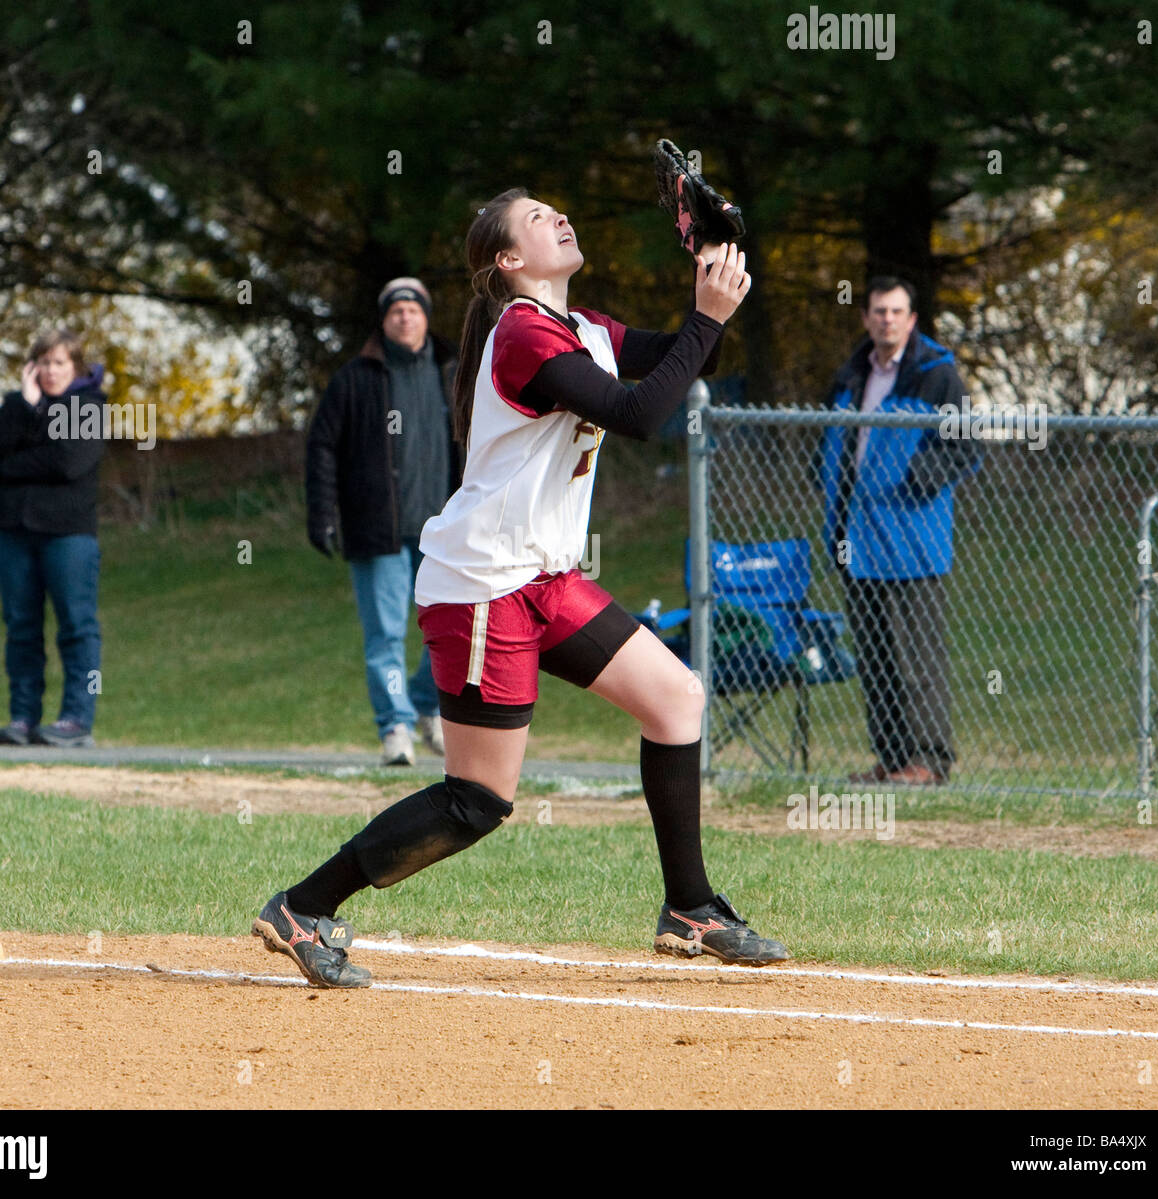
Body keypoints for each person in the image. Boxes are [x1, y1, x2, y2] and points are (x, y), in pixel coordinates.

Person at [253, 187, 789, 988]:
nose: (559, 217)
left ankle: (691, 907)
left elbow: (692, 356)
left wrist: (710, 276)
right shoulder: (522, 334)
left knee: (677, 698)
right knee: (478, 798)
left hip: (547, 578)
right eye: (537, 218)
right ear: (509, 261)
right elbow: (641, 415)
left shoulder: (585, 329)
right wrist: (705, 317)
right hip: (482, 585)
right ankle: (301, 905)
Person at [813, 277, 981, 786]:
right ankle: (891, 759)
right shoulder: (850, 377)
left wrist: (912, 479)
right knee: (876, 657)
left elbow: (965, 446)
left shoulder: (936, 375)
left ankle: (930, 762)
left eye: (897, 311)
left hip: (911, 541)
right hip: (854, 539)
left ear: (911, 319)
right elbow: (828, 441)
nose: (887, 319)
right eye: (878, 311)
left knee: (918, 660)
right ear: (866, 317)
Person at [305, 277, 462, 766]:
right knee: (386, 634)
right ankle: (395, 726)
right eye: (395, 310)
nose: (405, 316)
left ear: (427, 316)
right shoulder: (356, 378)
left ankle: (424, 702)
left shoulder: (453, 372)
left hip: (446, 529)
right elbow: (322, 446)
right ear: (384, 319)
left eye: (414, 309)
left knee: (452, 625)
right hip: (378, 531)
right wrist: (322, 514)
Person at [0, 329, 106, 748]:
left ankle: (77, 718)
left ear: (77, 367)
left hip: (67, 535)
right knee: (21, 628)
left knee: (77, 626)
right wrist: (28, 405)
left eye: (60, 363)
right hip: (13, 532)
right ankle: (23, 718)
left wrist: (7, 468)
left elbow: (67, 463)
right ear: (32, 368)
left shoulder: (89, 406)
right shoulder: (18, 405)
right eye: (44, 363)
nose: (51, 371)